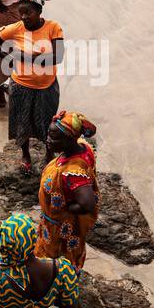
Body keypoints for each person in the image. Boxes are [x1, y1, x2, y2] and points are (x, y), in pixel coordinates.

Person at [0, 0, 63, 175]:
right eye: (21, 12)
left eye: (29, 12)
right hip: (21, 85)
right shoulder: (16, 28)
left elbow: (57, 57)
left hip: (46, 86)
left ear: (39, 12)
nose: (24, 16)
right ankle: (25, 155)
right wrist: (7, 56)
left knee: (47, 123)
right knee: (22, 122)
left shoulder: (53, 27)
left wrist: (26, 57)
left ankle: (49, 154)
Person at [36, 111, 99, 270]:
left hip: (62, 227)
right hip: (59, 223)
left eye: (54, 138)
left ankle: (59, 283)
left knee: (58, 260)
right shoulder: (84, 148)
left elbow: (88, 204)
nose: (48, 140)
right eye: (49, 135)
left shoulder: (73, 171)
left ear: (70, 139)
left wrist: (67, 209)